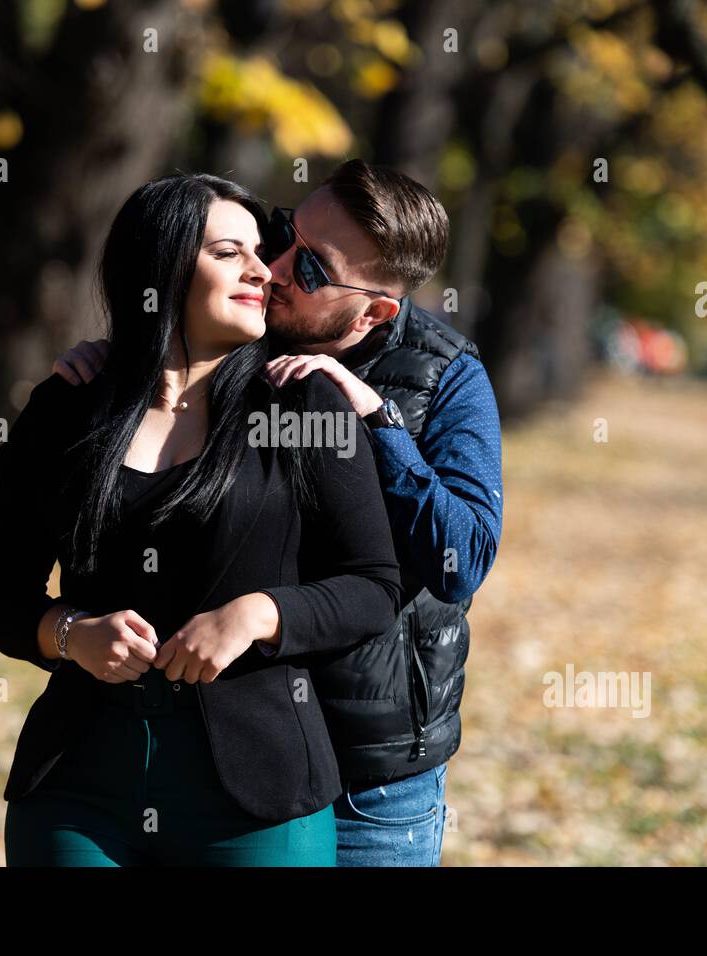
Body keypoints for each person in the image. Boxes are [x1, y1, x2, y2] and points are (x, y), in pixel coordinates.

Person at [53, 160, 504, 866]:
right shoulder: (242, 331)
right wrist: (120, 364)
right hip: (227, 738)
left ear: (375, 311)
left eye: (314, 269)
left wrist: (376, 422)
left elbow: (463, 559)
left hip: (367, 771)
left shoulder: (445, 376)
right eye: (283, 234)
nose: (277, 266)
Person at [0, 173, 402, 866]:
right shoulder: (67, 408)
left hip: (258, 800)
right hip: (77, 792)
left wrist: (260, 615)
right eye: (230, 252)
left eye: (263, 250)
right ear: (159, 266)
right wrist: (70, 634)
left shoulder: (303, 405)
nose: (263, 271)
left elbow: (374, 584)